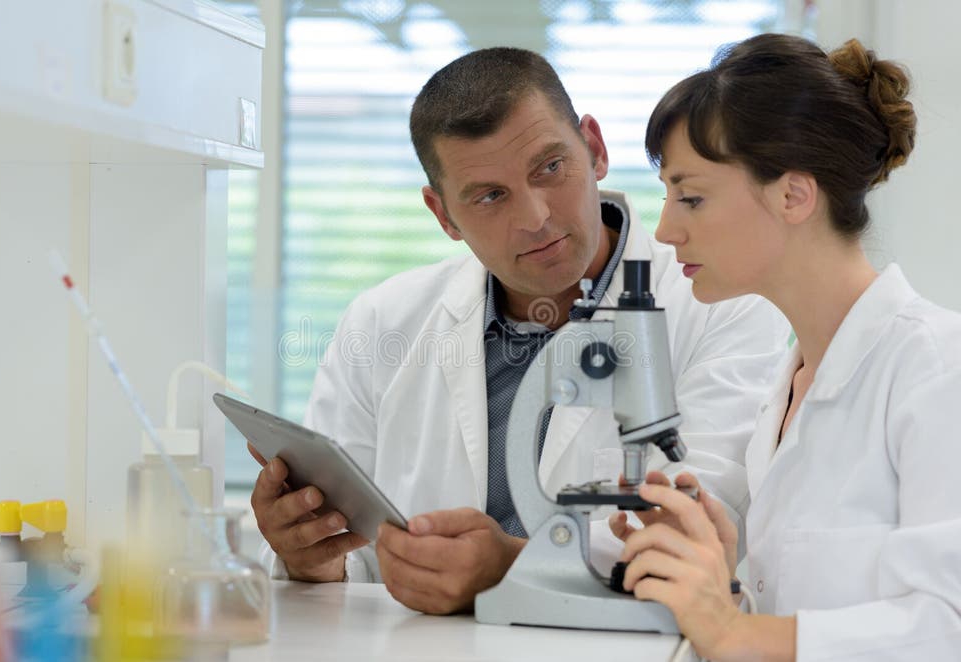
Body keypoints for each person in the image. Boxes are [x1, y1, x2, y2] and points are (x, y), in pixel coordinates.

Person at [251, 47, 789, 615]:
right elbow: (350, 558)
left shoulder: (721, 303)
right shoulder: (382, 322)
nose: (534, 216)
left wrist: (511, 566)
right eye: (489, 196)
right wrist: (311, 557)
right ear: (444, 216)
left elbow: (707, 521)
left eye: (550, 168)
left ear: (595, 148)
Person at [609, 33, 961, 660]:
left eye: (691, 196)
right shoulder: (792, 382)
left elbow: (948, 626)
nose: (664, 230)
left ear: (794, 195)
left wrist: (731, 628)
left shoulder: (936, 367)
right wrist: (726, 579)